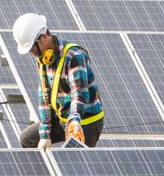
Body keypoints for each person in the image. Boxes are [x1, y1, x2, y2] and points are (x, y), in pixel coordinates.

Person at [11, 12, 104, 151]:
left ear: (44, 37)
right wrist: (44, 134)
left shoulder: (73, 55)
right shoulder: (43, 59)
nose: (33, 53)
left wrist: (74, 122)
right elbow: (44, 97)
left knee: (73, 164)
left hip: (85, 122)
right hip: (64, 119)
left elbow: (80, 93)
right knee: (27, 139)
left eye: (33, 49)